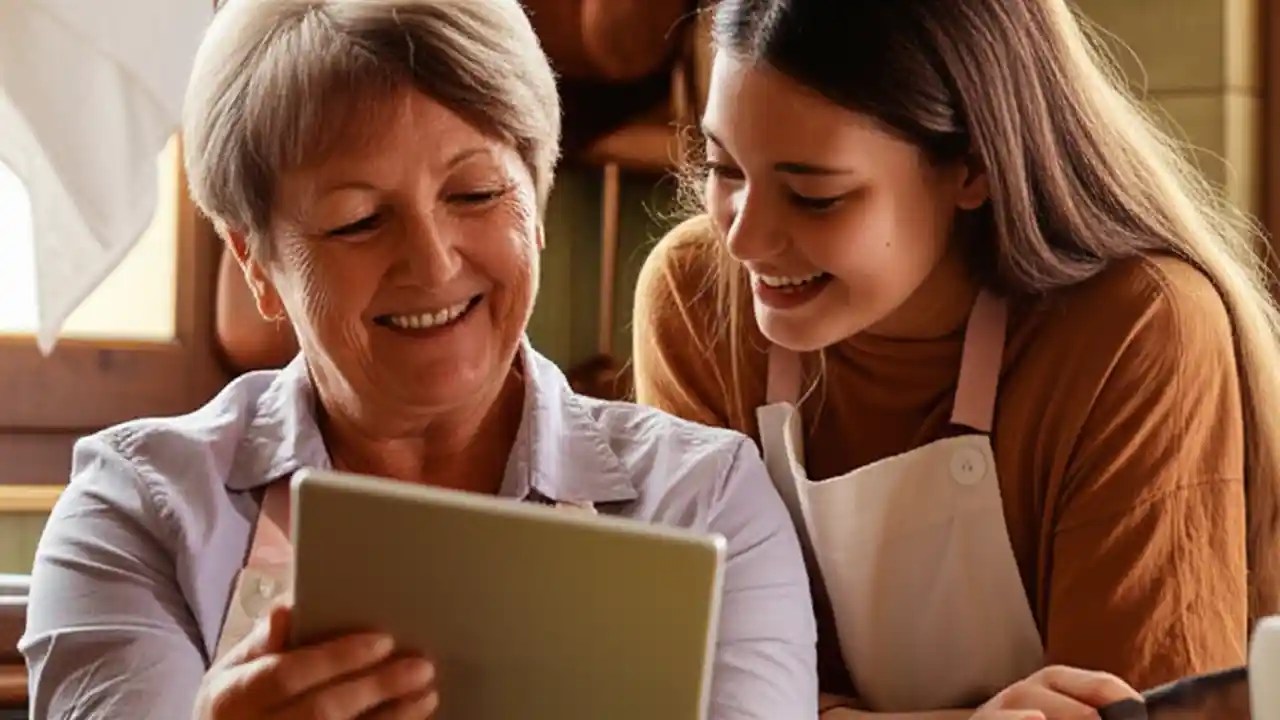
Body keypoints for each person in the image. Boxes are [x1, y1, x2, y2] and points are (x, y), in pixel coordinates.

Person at [19, 1, 822, 717]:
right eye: (358, 221)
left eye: (475, 195)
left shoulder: (703, 505)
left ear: (536, 202)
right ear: (257, 264)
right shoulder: (138, 515)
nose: (434, 264)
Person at [633, 0, 1280, 714]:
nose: (744, 240)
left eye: (815, 197)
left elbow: (1133, 707)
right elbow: (688, 691)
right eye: (725, 171)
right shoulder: (694, 300)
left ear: (974, 167)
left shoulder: (1139, 329)